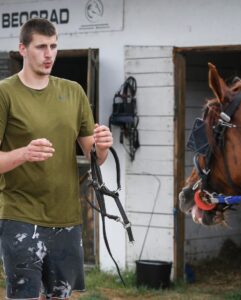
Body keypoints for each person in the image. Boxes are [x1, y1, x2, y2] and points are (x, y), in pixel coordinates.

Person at [0, 18, 113, 299]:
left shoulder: (73, 91)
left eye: (53, 46)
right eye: (41, 46)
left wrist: (103, 146)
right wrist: (23, 153)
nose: (49, 54)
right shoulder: (5, 93)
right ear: (22, 49)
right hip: (20, 216)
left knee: (59, 296)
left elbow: (94, 157)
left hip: (66, 218)